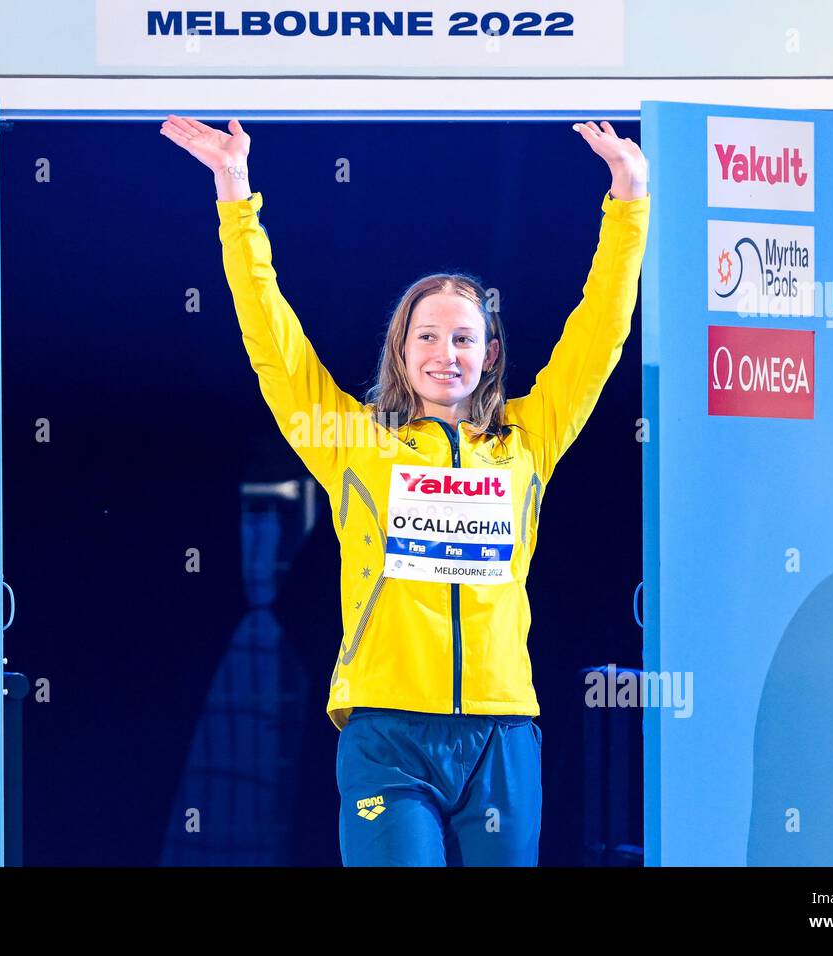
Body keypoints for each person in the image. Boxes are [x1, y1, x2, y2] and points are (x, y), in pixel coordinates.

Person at [160, 114, 649, 866]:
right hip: (386, 731)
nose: (445, 352)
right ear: (401, 347)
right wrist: (236, 195)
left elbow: (600, 334)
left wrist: (629, 200)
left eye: (463, 338)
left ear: (489, 356)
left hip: (501, 730)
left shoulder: (529, 438)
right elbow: (274, 346)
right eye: (427, 335)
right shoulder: (354, 443)